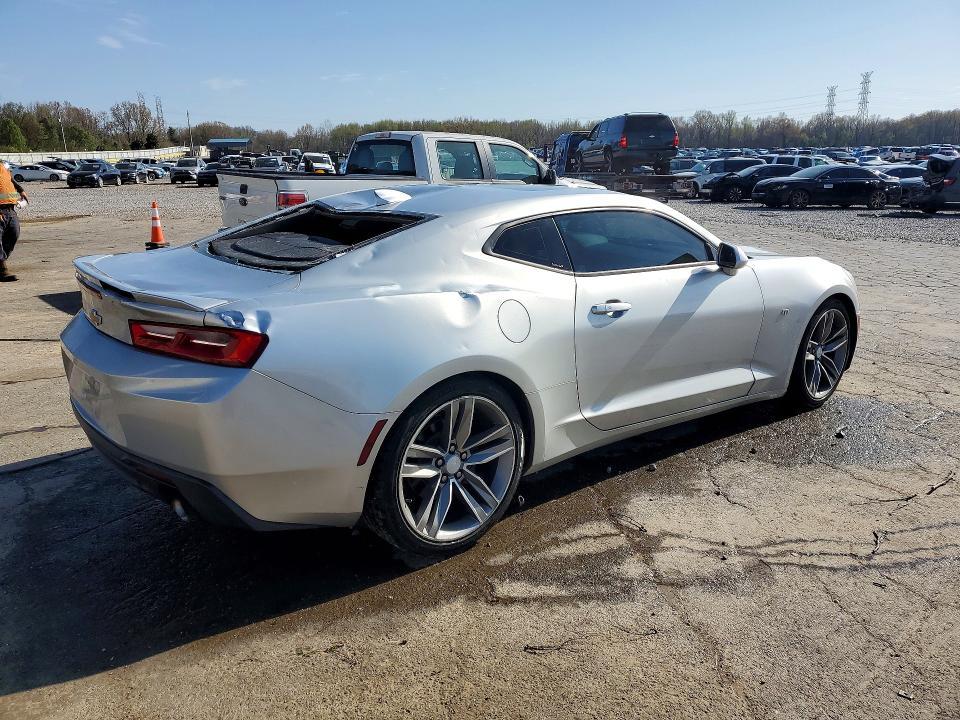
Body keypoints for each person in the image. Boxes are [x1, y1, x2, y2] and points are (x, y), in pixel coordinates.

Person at [0, 161, 28, 282]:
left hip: (10, 208)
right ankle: (1, 268)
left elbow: (10, 179)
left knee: (13, 233)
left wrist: (21, 190)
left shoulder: (2, 166)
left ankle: (1, 262)